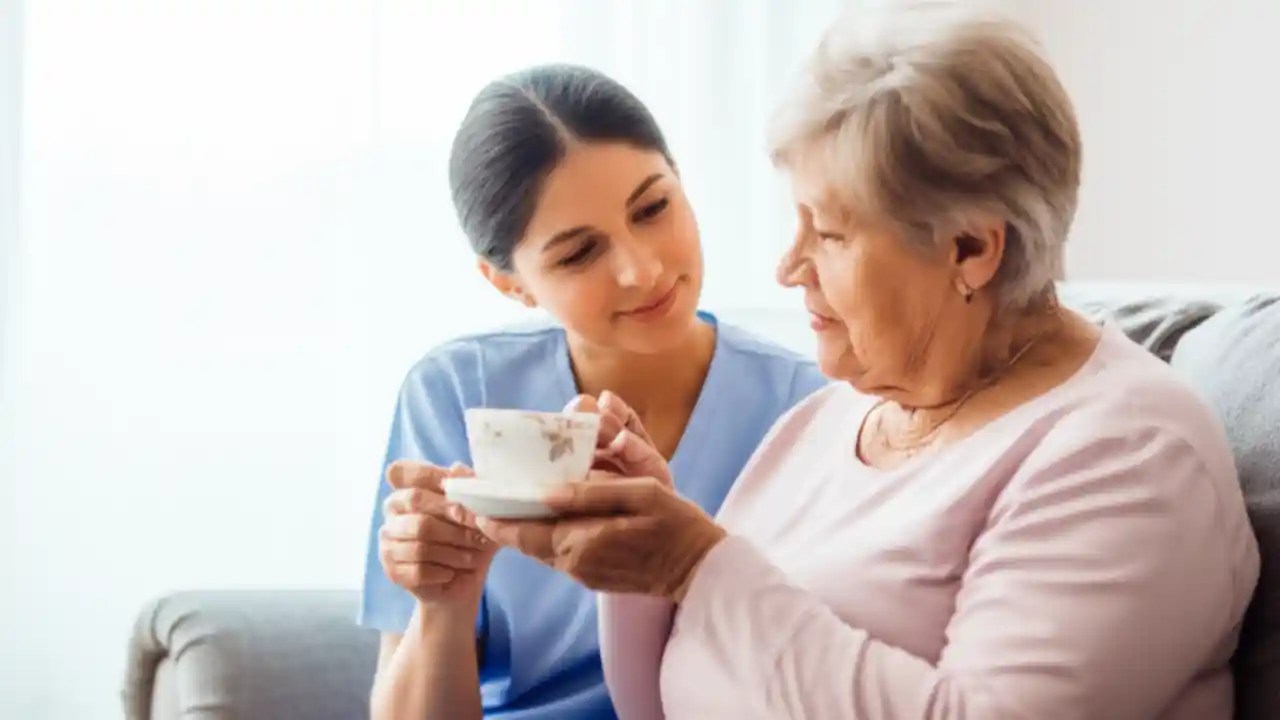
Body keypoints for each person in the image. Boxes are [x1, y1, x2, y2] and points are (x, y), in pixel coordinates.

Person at [477, 8, 1261, 719]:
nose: (790, 267)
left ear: (970, 247)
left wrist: (695, 564)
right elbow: (661, 703)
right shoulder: (832, 418)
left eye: (831, 234)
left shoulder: (1128, 454)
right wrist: (646, 546)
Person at [358, 64, 828, 720]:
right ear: (509, 284)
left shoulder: (810, 405)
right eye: (579, 254)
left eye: (654, 208)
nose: (642, 269)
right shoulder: (456, 393)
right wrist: (444, 602)